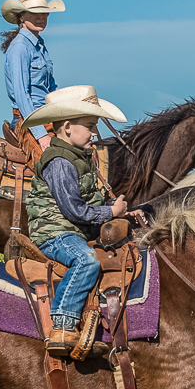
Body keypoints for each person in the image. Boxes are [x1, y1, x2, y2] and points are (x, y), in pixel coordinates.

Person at [22, 85, 146, 357]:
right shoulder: (59, 161)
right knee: (87, 260)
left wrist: (124, 212)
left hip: (72, 231)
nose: (94, 133)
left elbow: (90, 203)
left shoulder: (80, 157)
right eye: (89, 126)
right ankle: (63, 325)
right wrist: (111, 213)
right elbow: (74, 211)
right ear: (67, 127)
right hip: (55, 234)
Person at [1, 0, 64, 145]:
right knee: (55, 159)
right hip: (30, 121)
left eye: (45, 13)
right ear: (21, 15)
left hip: (47, 116)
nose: (41, 17)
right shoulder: (20, 48)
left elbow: (51, 89)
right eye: (35, 13)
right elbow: (22, 96)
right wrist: (41, 135)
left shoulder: (40, 45)